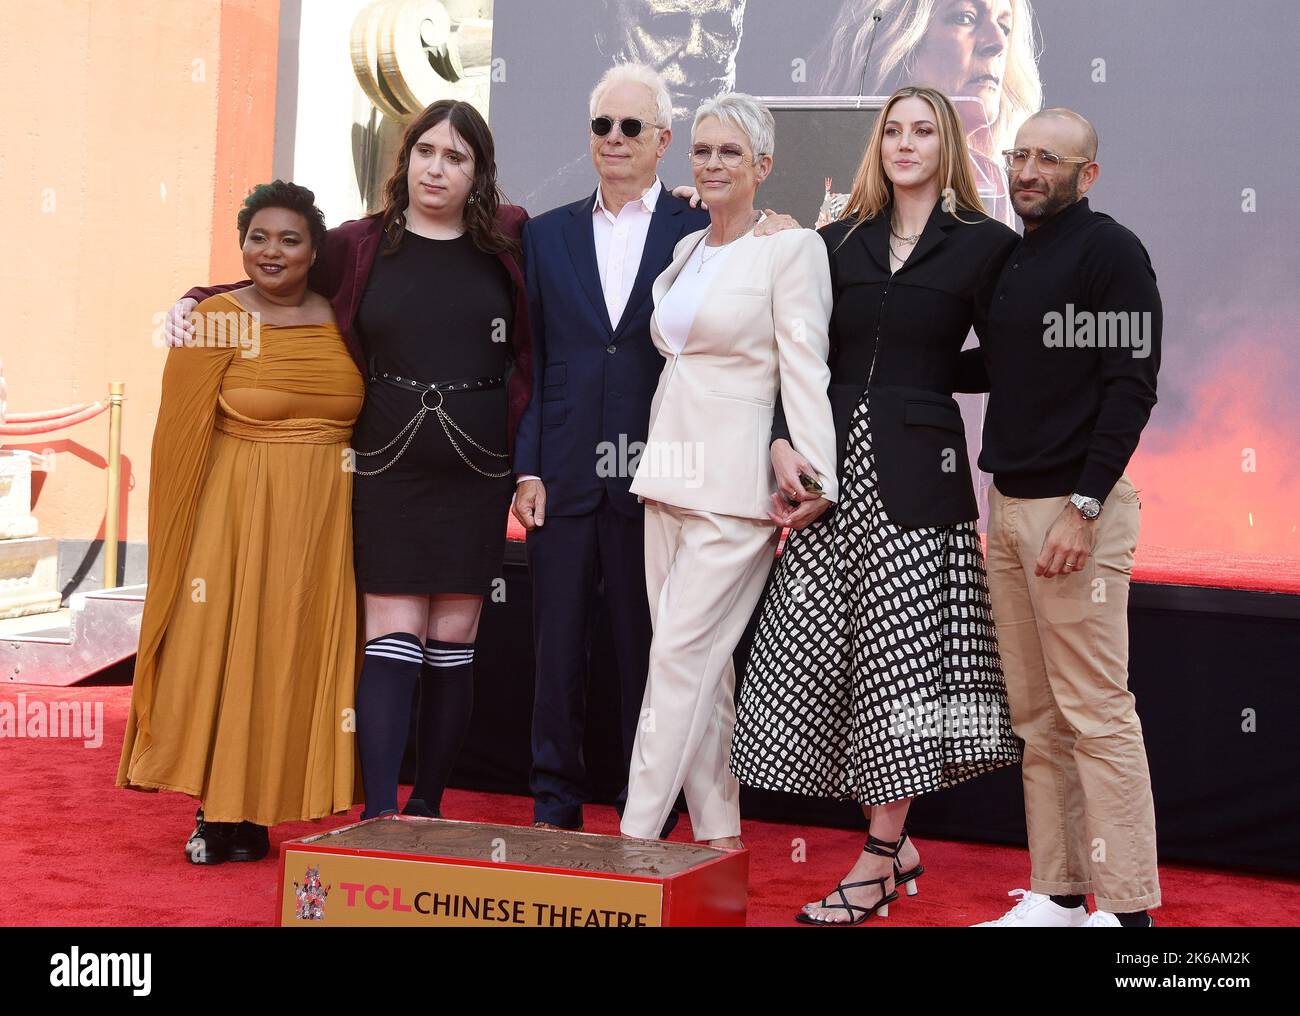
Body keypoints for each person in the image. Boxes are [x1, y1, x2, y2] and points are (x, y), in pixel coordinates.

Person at [164, 100, 533, 823]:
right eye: (427, 150)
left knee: (453, 639)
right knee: (391, 635)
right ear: (407, 158)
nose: (438, 167)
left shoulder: (512, 241)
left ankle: (428, 805)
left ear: (479, 172)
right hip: (385, 466)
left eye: (457, 157)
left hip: (477, 468)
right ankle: (380, 816)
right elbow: (277, 272)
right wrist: (196, 297)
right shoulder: (361, 245)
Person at [730, 86, 1022, 924]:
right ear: (877, 144)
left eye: (922, 130)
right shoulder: (834, 242)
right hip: (827, 482)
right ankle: (895, 842)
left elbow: (1005, 359)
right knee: (814, 658)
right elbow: (800, 356)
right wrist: (783, 438)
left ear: (948, 144)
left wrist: (925, 384)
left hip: (918, 481)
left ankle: (881, 856)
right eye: (892, 130)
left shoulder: (984, 245)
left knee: (898, 669)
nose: (905, 143)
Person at [512, 65, 793, 833]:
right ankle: (554, 807)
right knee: (556, 655)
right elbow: (534, 359)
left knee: (658, 653)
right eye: (602, 126)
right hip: (564, 472)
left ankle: (652, 814)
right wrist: (528, 464)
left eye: (632, 128)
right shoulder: (545, 234)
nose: (614, 140)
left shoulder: (695, 229)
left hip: (664, 476)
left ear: (663, 140)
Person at [118, 181, 365, 863]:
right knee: (229, 654)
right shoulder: (217, 318)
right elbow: (177, 440)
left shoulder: (345, 315)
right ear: (241, 246)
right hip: (233, 515)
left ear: (317, 251)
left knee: (291, 656)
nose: (272, 251)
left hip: (323, 521)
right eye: (258, 237)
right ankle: (216, 809)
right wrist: (183, 544)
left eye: (290, 239)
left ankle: (263, 809)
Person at [619, 92, 839, 849]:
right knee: (700, 675)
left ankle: (633, 844)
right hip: (666, 478)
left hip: (736, 490)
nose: (712, 164)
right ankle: (718, 843)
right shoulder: (687, 250)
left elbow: (804, 367)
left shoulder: (790, 248)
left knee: (678, 663)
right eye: (703, 151)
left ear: (764, 167)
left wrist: (816, 477)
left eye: (730, 153)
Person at [972, 108, 1162, 928]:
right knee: (1037, 720)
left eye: (1048, 158)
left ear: (1087, 174)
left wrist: (1083, 508)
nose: (1026, 170)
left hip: (1073, 511)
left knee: (1095, 714)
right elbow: (1001, 363)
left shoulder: (1110, 250)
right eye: (1018, 155)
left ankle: (1126, 914)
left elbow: (1133, 382)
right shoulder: (1017, 256)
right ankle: (1055, 896)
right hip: (1008, 504)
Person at [812, 0, 1043, 227]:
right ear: (905, 40)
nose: (998, 42)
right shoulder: (826, 161)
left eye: (1005, 27)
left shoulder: (988, 177)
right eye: (965, 17)